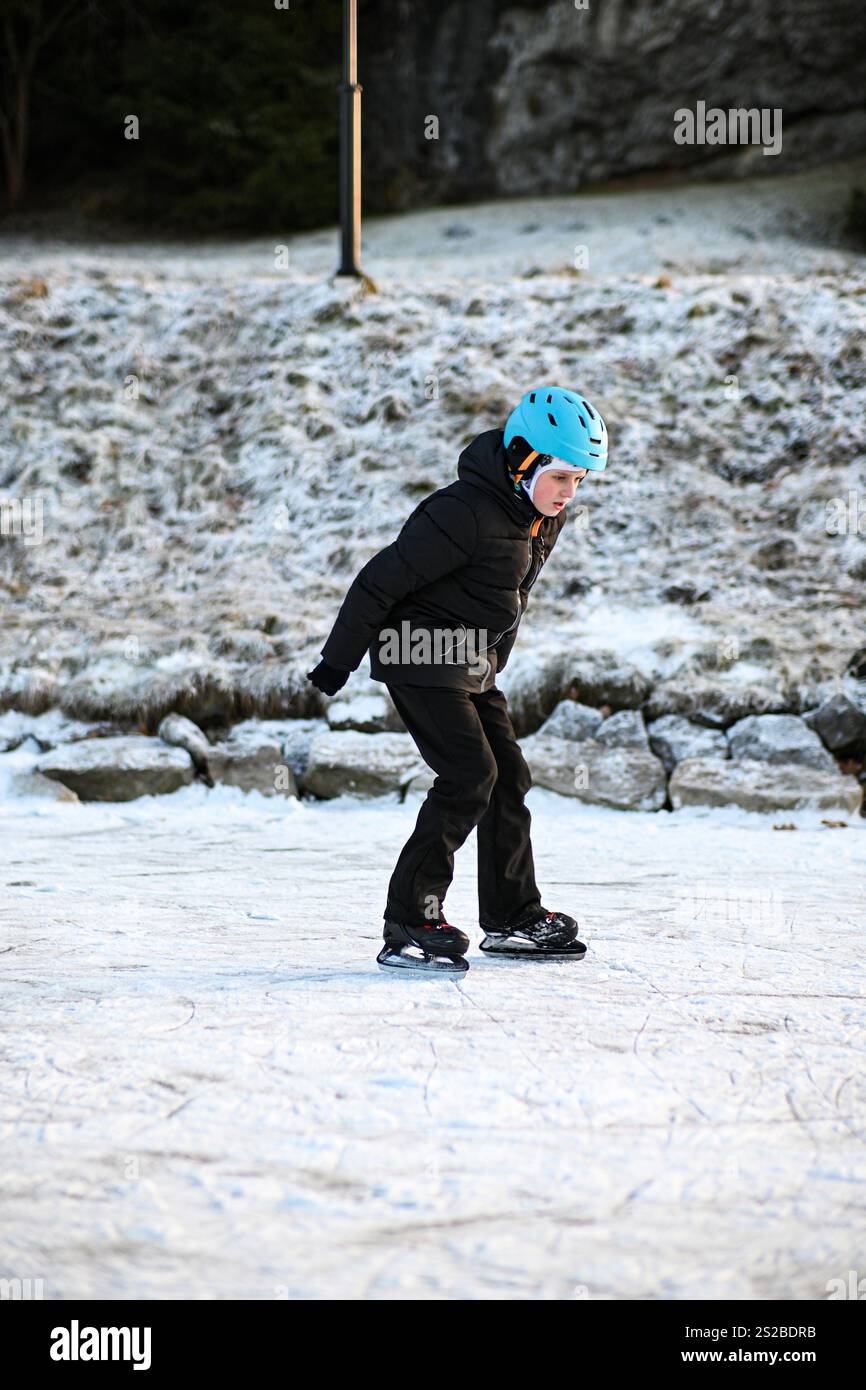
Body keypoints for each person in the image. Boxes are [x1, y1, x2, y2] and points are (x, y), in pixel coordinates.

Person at [308, 385, 609, 973]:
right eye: (563, 477)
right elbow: (379, 581)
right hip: (418, 651)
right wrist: (336, 661)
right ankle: (410, 922)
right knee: (471, 774)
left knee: (508, 777)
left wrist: (491, 664)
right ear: (523, 460)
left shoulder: (538, 515)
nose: (570, 493)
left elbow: (504, 597)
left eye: (579, 481)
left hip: (470, 661)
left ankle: (513, 917)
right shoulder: (460, 512)